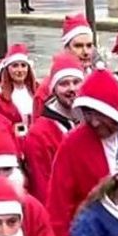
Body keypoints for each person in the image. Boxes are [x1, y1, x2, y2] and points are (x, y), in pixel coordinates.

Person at [47, 69, 118, 236]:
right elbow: (58, 205)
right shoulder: (73, 144)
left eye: (100, 114)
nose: (94, 122)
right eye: (88, 114)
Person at [22, 53, 83, 203]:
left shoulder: (91, 121)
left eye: (76, 82)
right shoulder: (39, 133)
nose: (72, 89)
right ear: (53, 88)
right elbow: (42, 188)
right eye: (64, 84)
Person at [0, 44, 37, 135]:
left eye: (23, 65)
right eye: (15, 66)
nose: (20, 70)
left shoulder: (37, 90)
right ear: (7, 69)